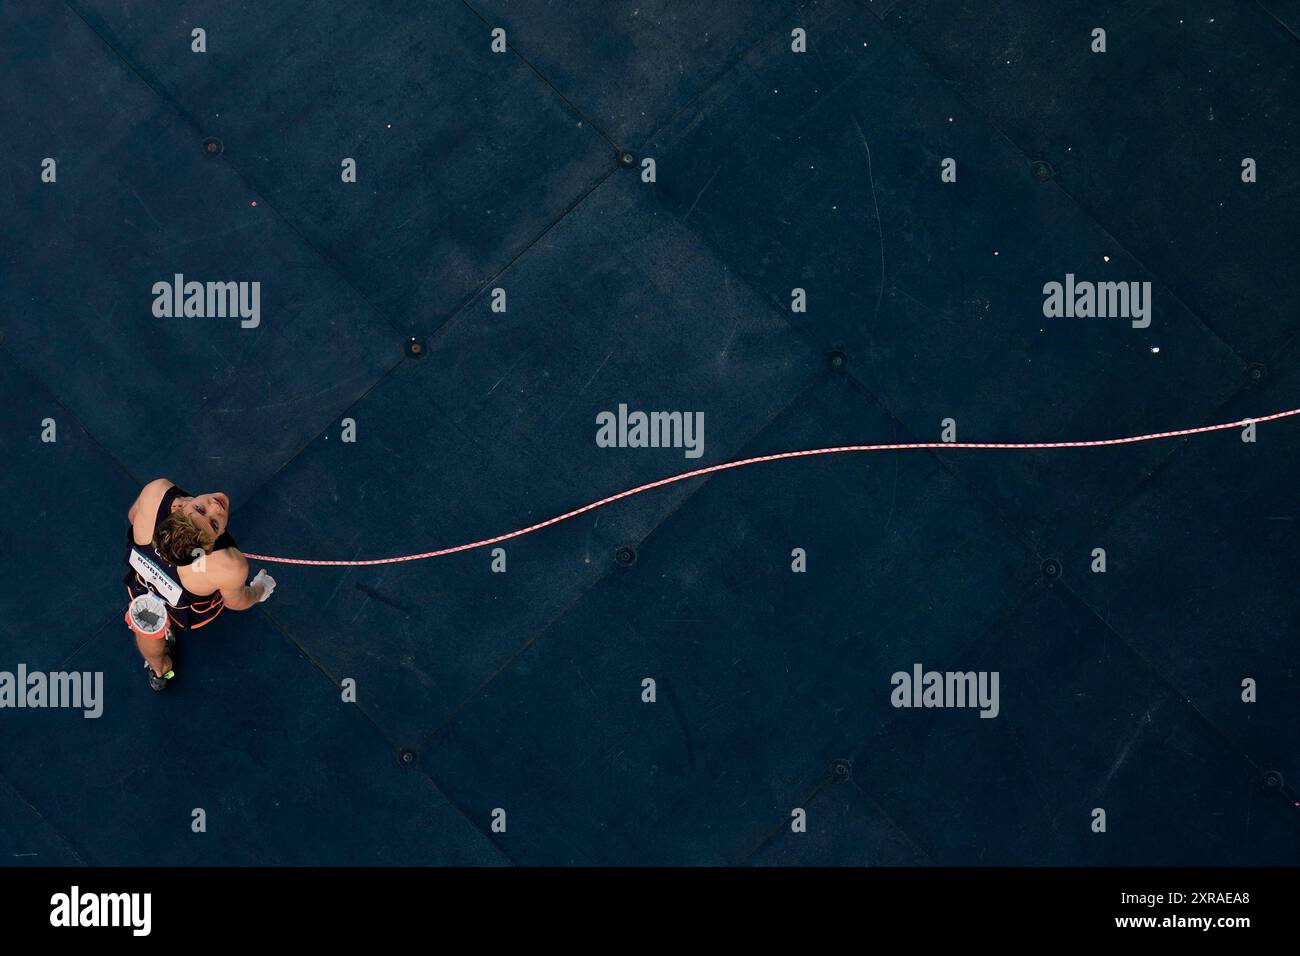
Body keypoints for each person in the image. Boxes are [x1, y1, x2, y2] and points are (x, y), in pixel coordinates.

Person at [124, 479, 275, 690]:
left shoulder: (156, 494)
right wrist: (261, 588)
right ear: (210, 548)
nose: (215, 506)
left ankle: (160, 670)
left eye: (200, 509)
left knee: (147, 629)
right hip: (181, 608)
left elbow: (133, 516)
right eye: (214, 524)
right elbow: (236, 601)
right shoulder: (228, 565)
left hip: (142, 586)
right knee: (152, 620)